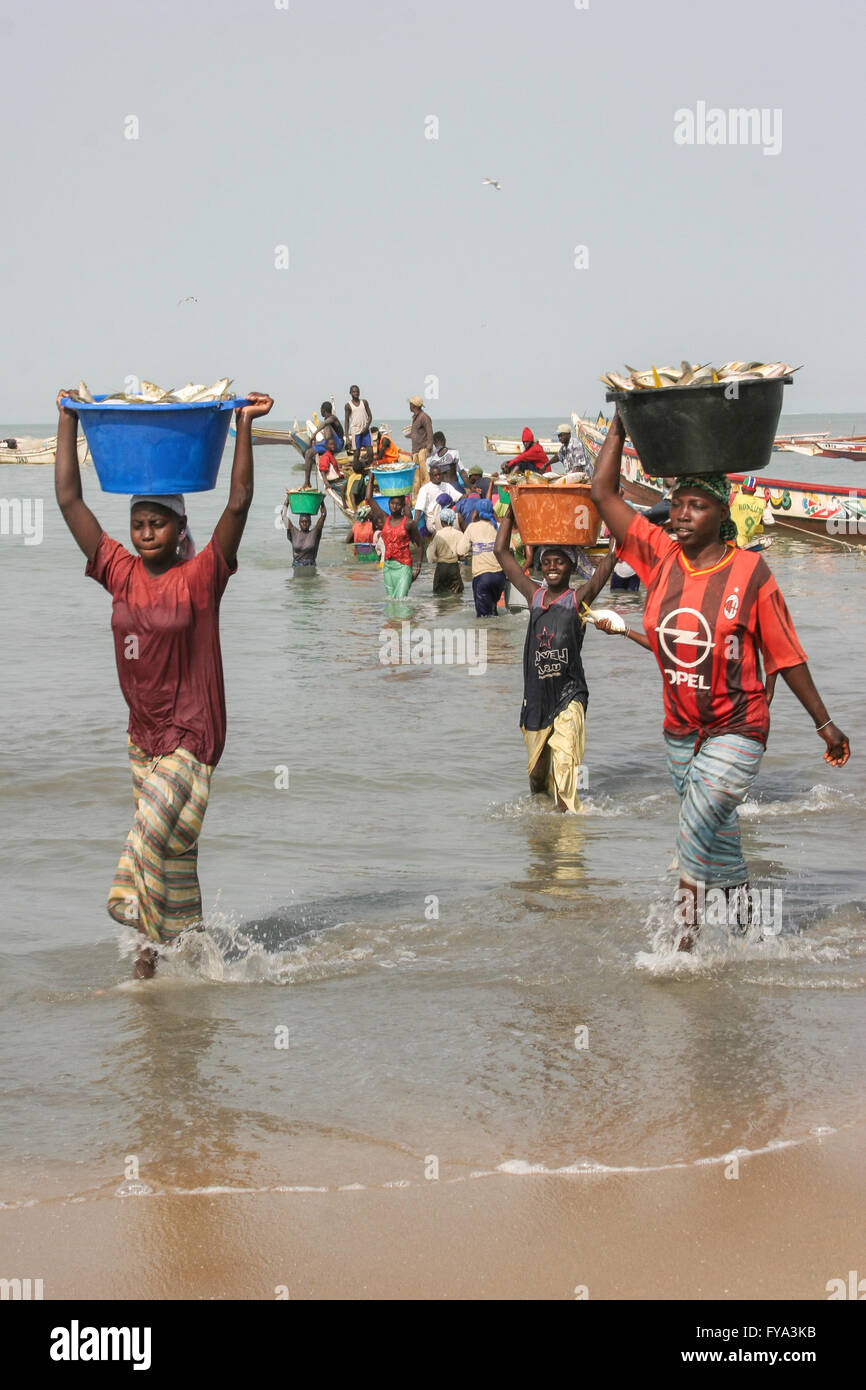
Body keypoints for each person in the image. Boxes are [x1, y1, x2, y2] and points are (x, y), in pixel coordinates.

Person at [590, 412, 850, 948]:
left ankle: (682, 944)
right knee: (722, 842)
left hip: (740, 727)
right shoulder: (659, 557)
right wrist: (619, 425)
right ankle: (751, 939)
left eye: (696, 505)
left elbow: (786, 654)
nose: (681, 516)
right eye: (677, 504)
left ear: (720, 513)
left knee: (696, 821)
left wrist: (824, 724)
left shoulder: (751, 573)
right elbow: (603, 492)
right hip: (681, 732)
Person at [54, 386, 274, 978]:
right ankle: (177, 972)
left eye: (158, 523)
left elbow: (241, 502)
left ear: (180, 529)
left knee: (145, 837)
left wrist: (242, 425)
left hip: (193, 737)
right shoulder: (119, 573)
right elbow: (69, 498)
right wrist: (68, 421)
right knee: (175, 863)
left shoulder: (203, 577)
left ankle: (128, 907)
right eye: (138, 523)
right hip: (142, 741)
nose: (146, 532)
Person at [493, 507, 615, 811]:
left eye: (559, 562)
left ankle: (568, 837)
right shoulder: (533, 596)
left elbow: (611, 559)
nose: (551, 568)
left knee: (563, 771)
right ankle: (543, 834)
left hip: (569, 694)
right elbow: (501, 551)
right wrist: (512, 512)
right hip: (536, 697)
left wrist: (610, 508)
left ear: (571, 567)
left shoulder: (578, 599)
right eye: (546, 562)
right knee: (537, 777)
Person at [365, 474, 423, 597]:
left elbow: (419, 544)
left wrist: (418, 568)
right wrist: (371, 477)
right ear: (389, 503)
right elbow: (369, 498)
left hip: (404, 566)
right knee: (392, 602)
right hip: (388, 567)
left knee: (401, 601)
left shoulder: (409, 523)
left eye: (397, 504)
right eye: (392, 503)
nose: (394, 506)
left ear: (402, 506)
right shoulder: (385, 519)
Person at [455, 497, 506, 616]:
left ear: (476, 512)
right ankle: (498, 634)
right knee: (493, 612)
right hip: (500, 577)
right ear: (492, 511)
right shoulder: (499, 526)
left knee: (484, 619)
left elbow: (461, 550)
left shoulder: (472, 527)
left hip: (482, 577)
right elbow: (510, 549)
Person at [413, 462, 461, 541]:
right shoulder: (425, 489)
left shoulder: (447, 486)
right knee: (442, 498)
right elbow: (419, 508)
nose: (438, 477)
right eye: (435, 475)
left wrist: (471, 495)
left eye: (439, 474)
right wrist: (415, 525)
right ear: (430, 476)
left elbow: (459, 496)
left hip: (448, 518)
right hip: (433, 520)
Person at [303, 401, 345, 488]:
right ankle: (307, 482)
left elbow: (325, 423)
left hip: (337, 444)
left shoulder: (333, 418)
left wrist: (314, 434)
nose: (320, 412)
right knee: (308, 453)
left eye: (321, 410)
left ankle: (328, 450)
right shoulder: (328, 420)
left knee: (327, 425)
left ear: (324, 410)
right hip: (328, 443)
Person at [426, 507, 465, 595]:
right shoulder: (459, 534)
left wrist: (434, 560)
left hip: (441, 568)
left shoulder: (438, 534)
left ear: (441, 521)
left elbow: (430, 555)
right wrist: (460, 557)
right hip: (454, 568)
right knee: (457, 594)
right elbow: (463, 551)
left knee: (439, 594)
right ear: (452, 521)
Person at [280, 494, 326, 567]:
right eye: (302, 522)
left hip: (310, 565)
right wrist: (288, 500)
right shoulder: (294, 532)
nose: (304, 523)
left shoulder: (314, 533)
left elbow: (323, 515)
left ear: (310, 523)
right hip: (296, 565)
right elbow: (283, 515)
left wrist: (321, 500)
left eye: (307, 521)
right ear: (299, 523)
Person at [407, 394, 433, 491]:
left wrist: (428, 451)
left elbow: (430, 434)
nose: (409, 406)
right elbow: (418, 434)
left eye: (410, 404)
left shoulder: (424, 417)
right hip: (416, 451)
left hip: (423, 450)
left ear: (413, 405)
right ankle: (416, 500)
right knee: (416, 478)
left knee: (425, 477)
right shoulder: (415, 418)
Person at [344, 385, 373, 470]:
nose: (356, 393)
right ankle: (356, 471)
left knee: (370, 452)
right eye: (354, 391)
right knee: (356, 453)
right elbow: (346, 421)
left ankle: (368, 468)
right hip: (355, 431)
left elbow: (370, 416)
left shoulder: (364, 402)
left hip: (366, 431)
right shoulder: (348, 405)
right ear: (350, 393)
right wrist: (347, 437)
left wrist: (366, 427)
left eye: (357, 391)